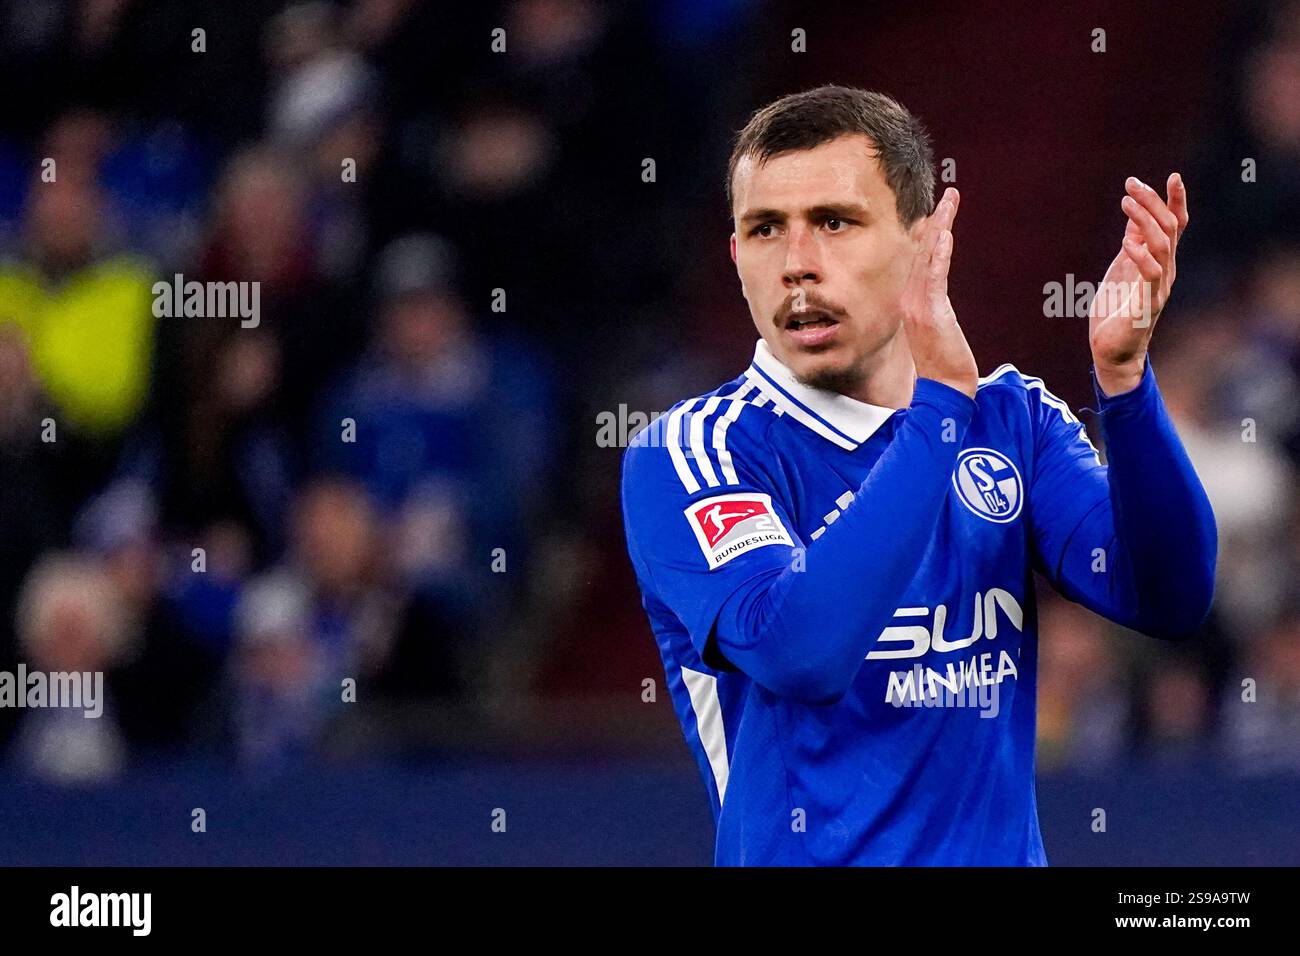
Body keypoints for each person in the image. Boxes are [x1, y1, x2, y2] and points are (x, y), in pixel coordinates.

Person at [620, 85, 1217, 865]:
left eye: (835, 222)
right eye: (765, 230)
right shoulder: (694, 453)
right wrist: (937, 415)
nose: (798, 264)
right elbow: (802, 651)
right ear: (736, 257)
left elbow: (1168, 595)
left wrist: (1126, 386)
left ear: (923, 237)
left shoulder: (1011, 421)